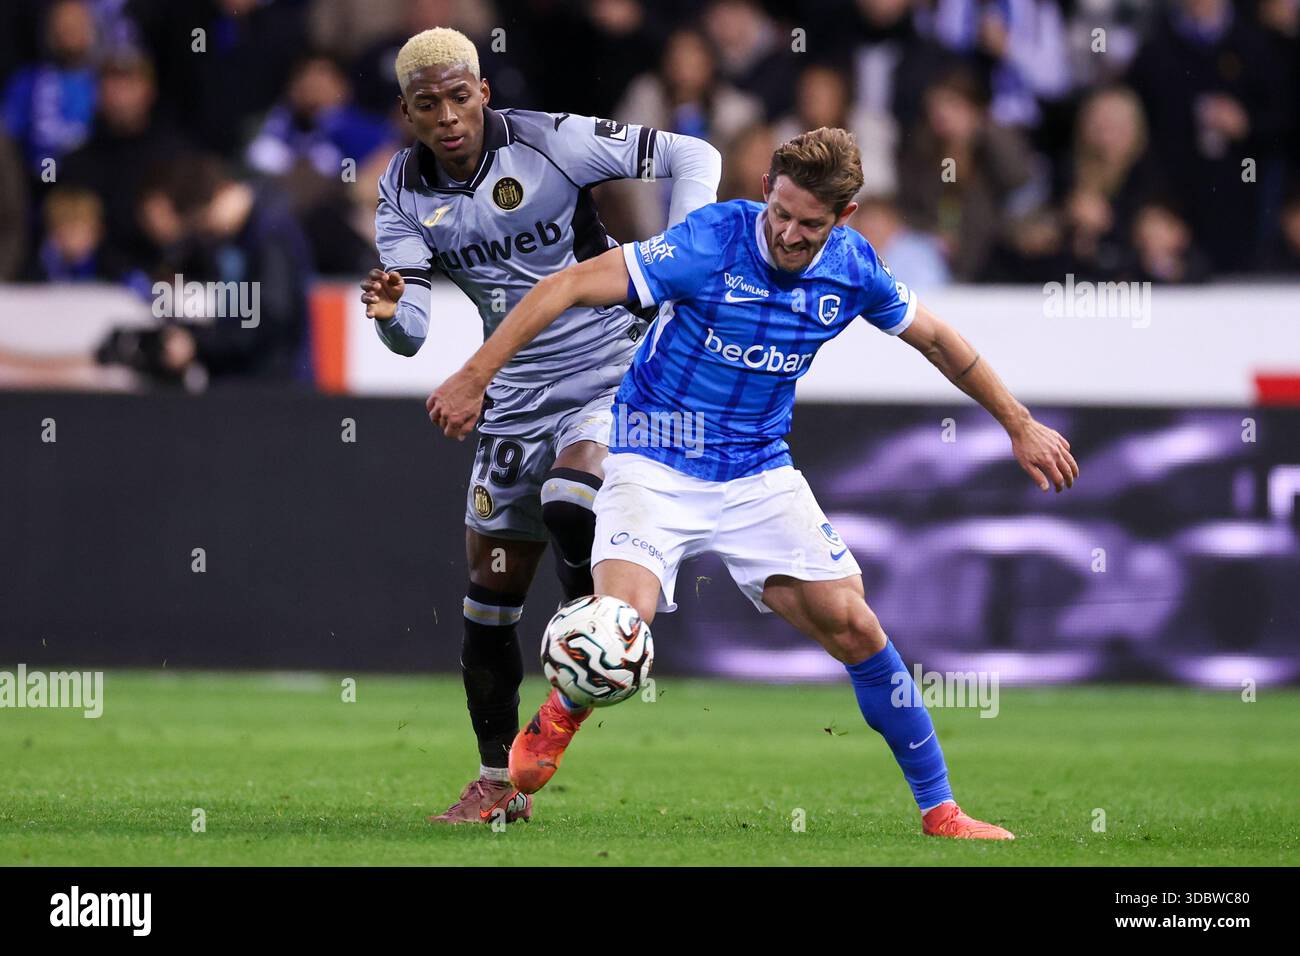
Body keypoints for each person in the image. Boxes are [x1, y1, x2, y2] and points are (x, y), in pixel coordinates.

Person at [428, 127, 1079, 840]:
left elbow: (940, 341)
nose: (790, 235)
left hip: (757, 471)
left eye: (811, 224)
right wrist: (475, 372)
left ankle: (942, 811)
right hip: (654, 455)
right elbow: (568, 284)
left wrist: (1019, 424)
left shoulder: (856, 268)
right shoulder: (711, 241)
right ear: (767, 189)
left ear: (846, 217)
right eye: (782, 212)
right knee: (620, 623)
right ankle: (560, 717)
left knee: (857, 626)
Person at [359, 27, 721, 825]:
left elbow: (695, 156)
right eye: (429, 105)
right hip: (512, 396)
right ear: (408, 114)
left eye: (460, 96)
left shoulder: (552, 140)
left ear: (483, 91)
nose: (449, 116)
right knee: (487, 603)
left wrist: (681, 256)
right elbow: (412, 327)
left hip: (609, 365)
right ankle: (495, 782)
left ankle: (591, 634)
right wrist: (389, 315)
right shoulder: (401, 196)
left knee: (571, 493)